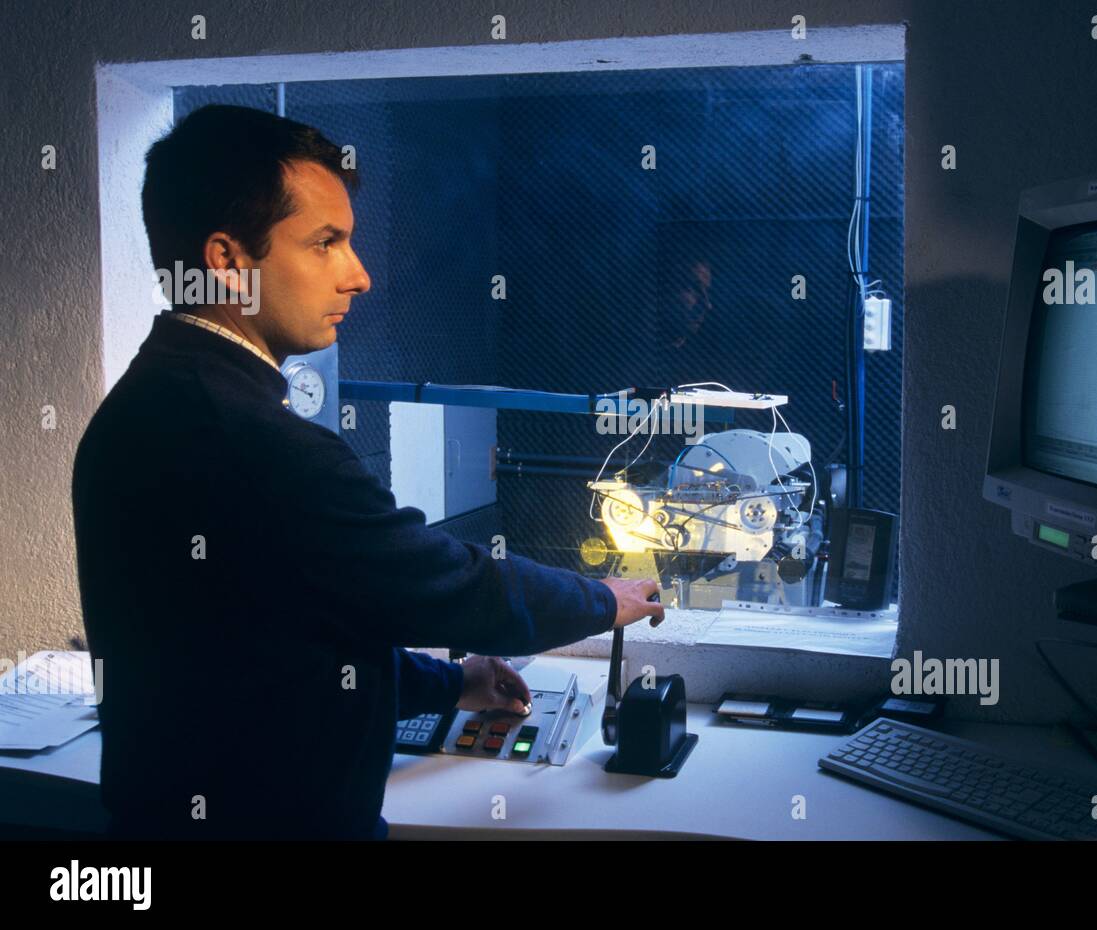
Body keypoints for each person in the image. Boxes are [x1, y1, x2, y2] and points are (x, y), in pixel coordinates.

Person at [71, 105, 664, 840]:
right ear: (226, 262)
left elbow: (281, 629)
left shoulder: (143, 405)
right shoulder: (253, 438)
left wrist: (453, 683)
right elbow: (444, 585)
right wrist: (603, 600)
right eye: (326, 243)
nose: (360, 276)